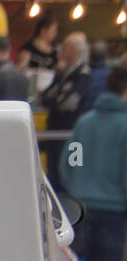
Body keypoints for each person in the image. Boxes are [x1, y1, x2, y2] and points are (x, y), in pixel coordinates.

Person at [61, 66, 127, 261]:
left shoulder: (85, 122)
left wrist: (78, 181)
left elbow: (70, 159)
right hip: (114, 206)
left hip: (82, 204)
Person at [41, 33, 93, 190]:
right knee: (53, 171)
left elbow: (69, 102)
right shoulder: (61, 74)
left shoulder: (83, 75)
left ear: (72, 50)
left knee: (72, 171)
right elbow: (44, 97)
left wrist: (55, 99)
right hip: (54, 130)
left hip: (72, 133)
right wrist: (56, 99)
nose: (61, 51)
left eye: (64, 47)